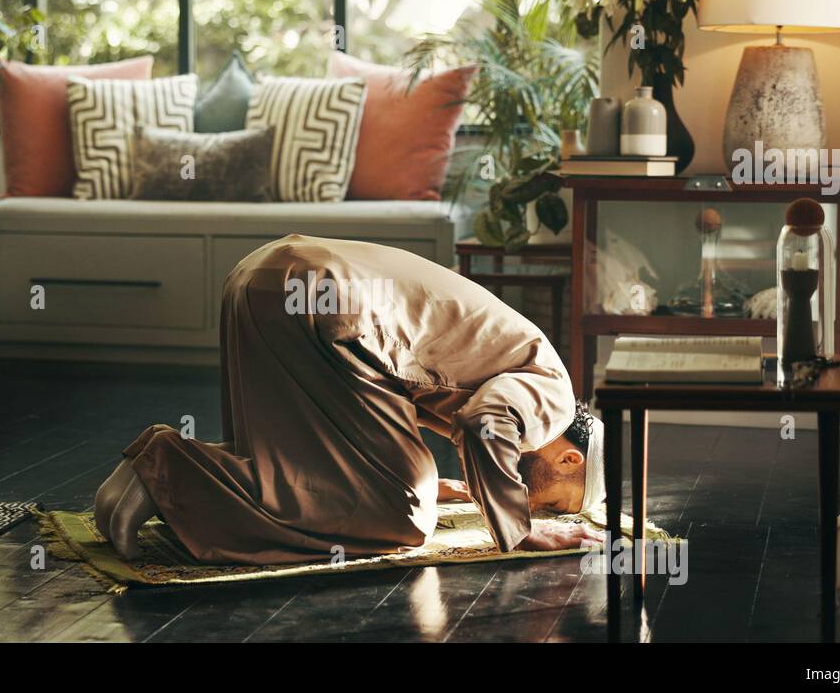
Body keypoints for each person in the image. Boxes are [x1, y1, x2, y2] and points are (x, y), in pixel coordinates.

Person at [95, 235, 605, 564]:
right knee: (401, 516)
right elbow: (485, 422)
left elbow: (448, 411)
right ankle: (167, 468)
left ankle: (152, 466)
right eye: (556, 503)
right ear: (569, 458)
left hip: (265, 275)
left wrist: (455, 485)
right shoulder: (555, 397)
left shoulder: (524, 358)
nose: (541, 506)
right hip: (333, 300)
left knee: (292, 464)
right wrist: (520, 531)